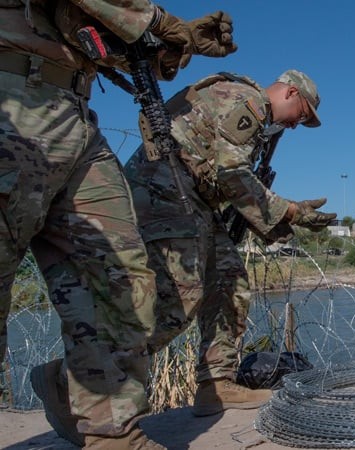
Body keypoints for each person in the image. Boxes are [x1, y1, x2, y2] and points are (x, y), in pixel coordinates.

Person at [0, 1, 237, 448]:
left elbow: (108, 43)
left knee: (124, 279)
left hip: (74, 109)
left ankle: (113, 432)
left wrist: (174, 43)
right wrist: (160, 22)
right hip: (11, 96)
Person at [123, 69, 336, 417]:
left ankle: (216, 384)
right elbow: (232, 174)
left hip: (193, 197)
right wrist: (291, 212)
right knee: (179, 296)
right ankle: (93, 369)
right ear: (291, 92)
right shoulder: (247, 102)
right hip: (164, 187)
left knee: (228, 281)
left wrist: (276, 219)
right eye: (303, 114)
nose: (297, 124)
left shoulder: (257, 120)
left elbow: (227, 177)